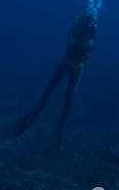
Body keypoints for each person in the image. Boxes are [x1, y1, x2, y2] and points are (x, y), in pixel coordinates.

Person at [12, 10, 96, 153]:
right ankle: (35, 115)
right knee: (49, 90)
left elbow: (89, 47)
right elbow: (71, 40)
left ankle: (58, 127)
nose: (87, 23)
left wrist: (82, 43)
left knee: (67, 96)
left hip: (75, 66)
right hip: (67, 62)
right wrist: (78, 43)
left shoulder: (92, 30)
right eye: (86, 20)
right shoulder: (76, 25)